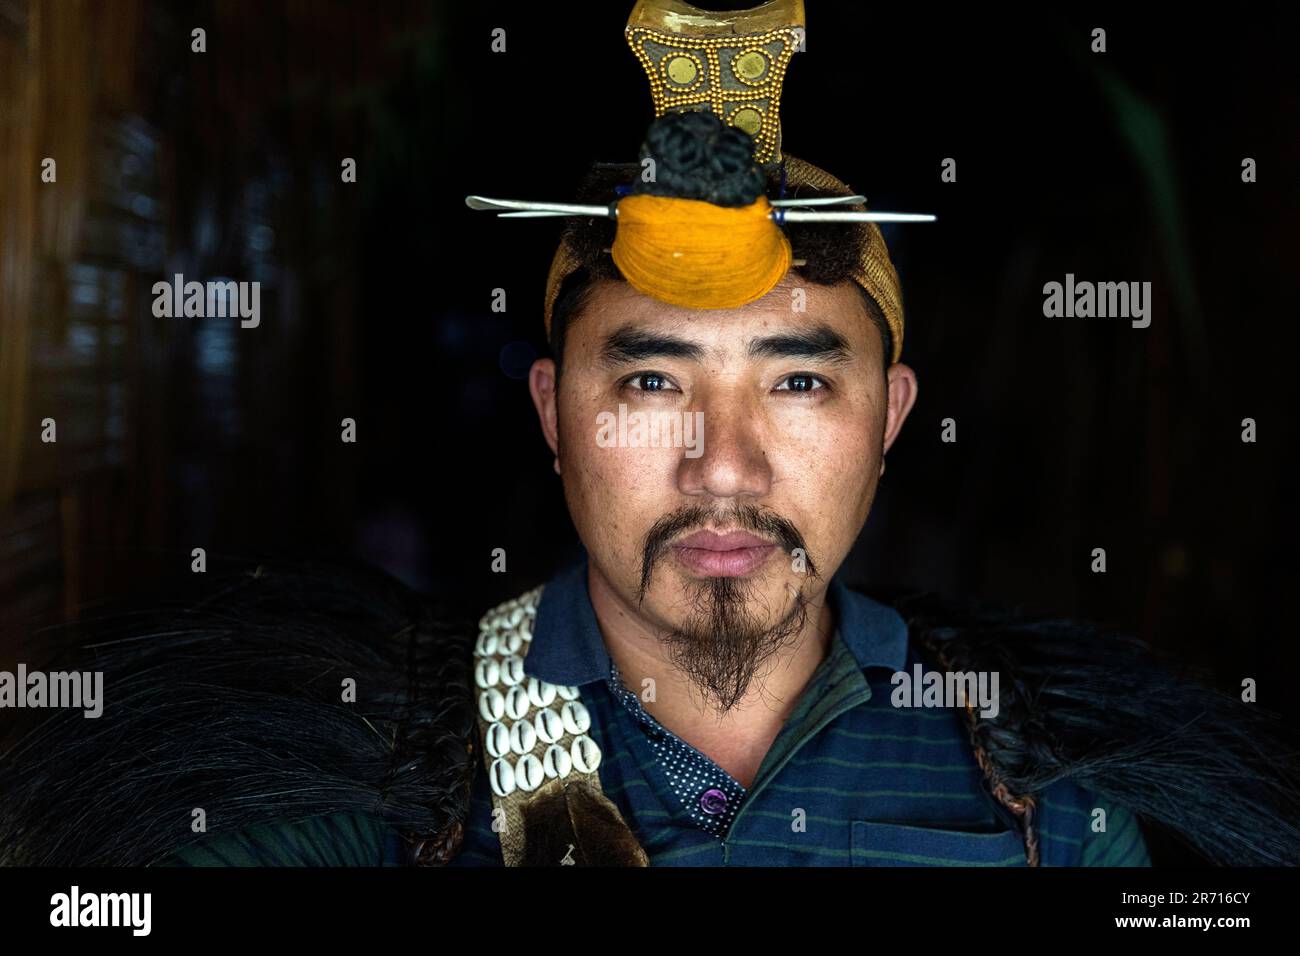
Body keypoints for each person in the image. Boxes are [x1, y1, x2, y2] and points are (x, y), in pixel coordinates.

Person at [2, 0, 1297, 868]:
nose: (724, 463)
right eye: (653, 383)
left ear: (888, 419)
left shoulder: (1052, 798)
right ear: (554, 416)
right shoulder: (361, 771)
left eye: (796, 384)